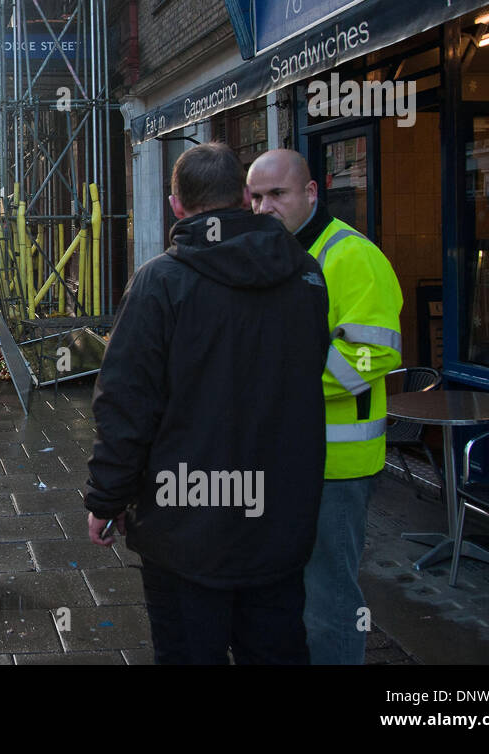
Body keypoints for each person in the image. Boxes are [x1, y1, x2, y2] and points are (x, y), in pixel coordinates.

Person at [86, 143, 330, 664]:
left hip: (185, 531)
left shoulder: (160, 283)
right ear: (245, 197)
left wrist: (107, 500)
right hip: (278, 524)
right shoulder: (307, 276)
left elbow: (125, 405)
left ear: (176, 206)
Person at [248, 148, 403, 666]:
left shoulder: (351, 255)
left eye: (278, 194)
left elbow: (372, 352)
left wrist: (279, 379)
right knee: (294, 590)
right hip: (288, 458)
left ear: (311, 193)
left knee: (330, 597)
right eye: (255, 197)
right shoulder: (275, 250)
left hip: (337, 465)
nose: (264, 207)